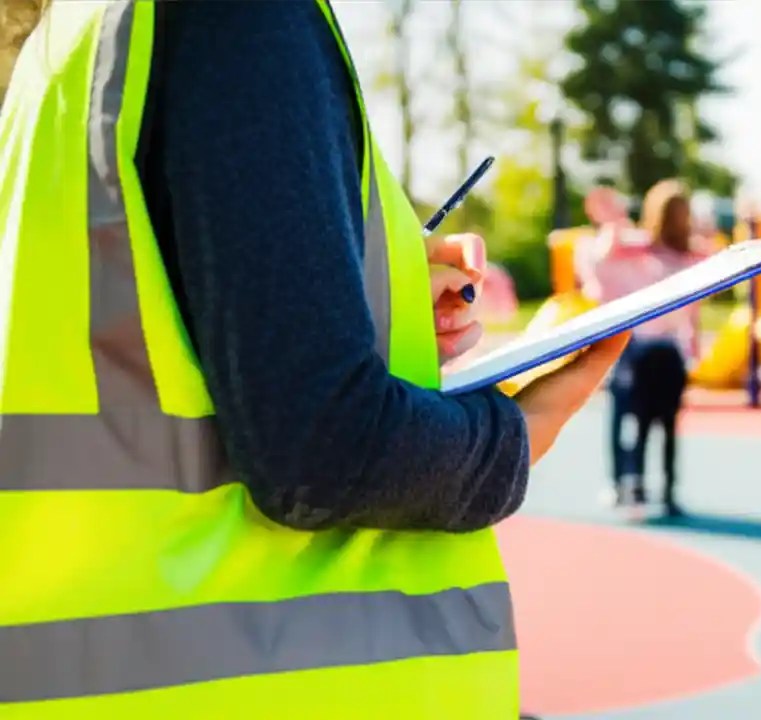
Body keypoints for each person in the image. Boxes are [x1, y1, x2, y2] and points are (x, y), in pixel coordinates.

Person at [0, 3, 624, 717]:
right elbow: (325, 452)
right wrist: (521, 424)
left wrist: (356, 292)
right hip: (255, 683)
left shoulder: (75, 40)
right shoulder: (243, 21)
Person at [589, 180, 702, 517]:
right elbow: (601, 262)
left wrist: (692, 343)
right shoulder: (640, 251)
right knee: (631, 420)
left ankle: (666, 489)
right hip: (638, 348)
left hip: (667, 351)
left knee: (666, 424)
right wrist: (614, 222)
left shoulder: (686, 256)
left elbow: (692, 307)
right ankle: (629, 483)